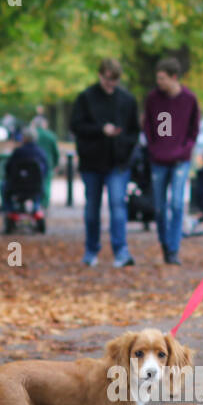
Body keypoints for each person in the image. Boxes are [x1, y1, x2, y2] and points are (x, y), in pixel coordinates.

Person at [71, 58, 140, 267]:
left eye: (115, 81)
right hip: (92, 162)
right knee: (92, 208)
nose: (111, 84)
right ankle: (91, 250)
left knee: (118, 205)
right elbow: (76, 126)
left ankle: (121, 250)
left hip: (117, 163)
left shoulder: (127, 100)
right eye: (108, 79)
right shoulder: (85, 98)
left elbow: (133, 131)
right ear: (100, 75)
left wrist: (123, 145)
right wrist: (101, 130)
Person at [142, 58, 200, 265]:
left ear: (174, 77)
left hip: (180, 160)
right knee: (159, 206)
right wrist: (154, 147)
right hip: (158, 158)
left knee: (176, 204)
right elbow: (149, 125)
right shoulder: (153, 99)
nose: (159, 82)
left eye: (162, 78)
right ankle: (165, 243)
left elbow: (194, 129)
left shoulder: (189, 99)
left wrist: (185, 149)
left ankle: (174, 248)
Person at [30, 116, 59, 209]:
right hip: (47, 162)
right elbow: (55, 152)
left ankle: (36, 202)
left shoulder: (32, 134)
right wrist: (56, 164)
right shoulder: (50, 135)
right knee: (46, 184)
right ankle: (45, 203)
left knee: (33, 183)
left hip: (32, 163)